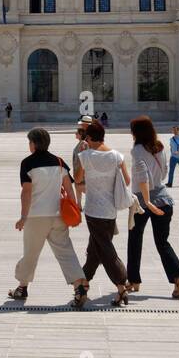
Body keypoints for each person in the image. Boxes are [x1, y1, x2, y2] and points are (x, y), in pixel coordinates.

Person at [7, 127, 89, 309]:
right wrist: (75, 210)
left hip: (36, 217)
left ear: (34, 144)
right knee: (66, 252)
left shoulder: (27, 163)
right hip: (58, 216)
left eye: (29, 142)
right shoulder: (59, 162)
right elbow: (69, 189)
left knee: (31, 253)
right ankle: (79, 286)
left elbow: (26, 193)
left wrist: (23, 217)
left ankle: (22, 287)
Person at [74, 121, 133, 305]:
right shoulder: (117, 156)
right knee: (95, 251)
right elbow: (127, 181)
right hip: (110, 211)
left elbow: (77, 179)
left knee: (106, 251)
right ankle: (83, 286)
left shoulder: (86, 156)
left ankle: (122, 284)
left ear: (89, 138)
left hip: (93, 210)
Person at [127, 116, 179, 300]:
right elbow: (165, 171)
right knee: (163, 243)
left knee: (135, 240)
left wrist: (146, 200)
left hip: (142, 202)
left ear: (136, 132)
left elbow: (142, 176)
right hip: (164, 199)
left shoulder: (137, 150)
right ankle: (178, 278)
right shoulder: (159, 147)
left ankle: (134, 281)